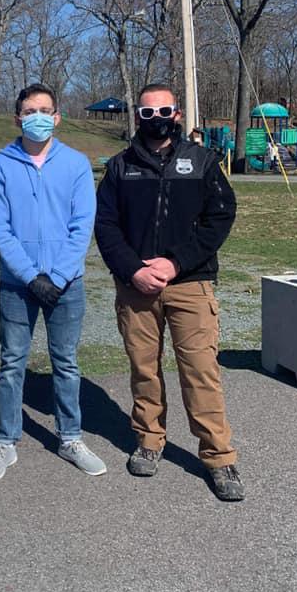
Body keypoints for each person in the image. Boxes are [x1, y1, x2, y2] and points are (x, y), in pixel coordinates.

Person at [95, 82, 244, 501]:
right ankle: (149, 440)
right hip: (136, 287)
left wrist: (176, 262)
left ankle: (218, 456)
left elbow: (220, 217)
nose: (156, 119)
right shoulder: (120, 167)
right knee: (144, 369)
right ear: (137, 116)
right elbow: (105, 225)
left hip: (190, 284)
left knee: (200, 372)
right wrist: (132, 270)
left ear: (176, 114)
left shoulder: (202, 161)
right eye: (148, 113)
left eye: (164, 111)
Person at [0, 82, 106, 482]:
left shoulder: (76, 164)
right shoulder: (1, 165)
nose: (38, 117)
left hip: (67, 285)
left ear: (57, 117)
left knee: (65, 363)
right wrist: (31, 276)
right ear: (18, 118)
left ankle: (70, 437)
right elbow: (0, 229)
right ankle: (6, 440)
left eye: (45, 111)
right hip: (18, 285)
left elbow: (82, 225)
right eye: (30, 111)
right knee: (12, 363)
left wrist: (60, 275)